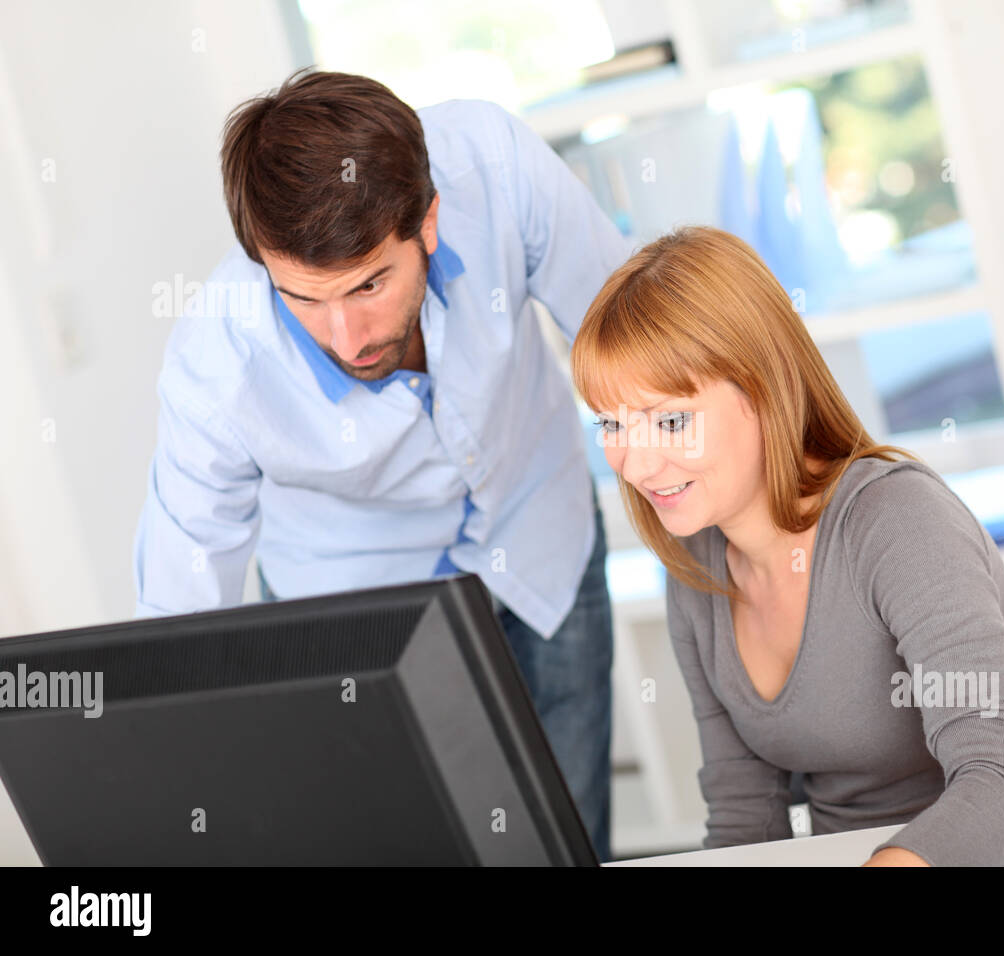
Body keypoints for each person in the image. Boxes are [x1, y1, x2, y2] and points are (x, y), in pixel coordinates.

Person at [132, 69, 632, 861]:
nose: (346, 335)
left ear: (427, 222)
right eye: (305, 297)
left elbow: (637, 339)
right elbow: (180, 621)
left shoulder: (495, 169)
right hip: (359, 617)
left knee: (567, 841)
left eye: (370, 283)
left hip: (540, 534)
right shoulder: (217, 365)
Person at [570, 225, 1004, 866]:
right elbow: (744, 815)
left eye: (670, 419)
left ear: (762, 387)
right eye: (611, 425)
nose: (637, 467)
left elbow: (1003, 783)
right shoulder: (694, 564)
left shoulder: (898, 523)